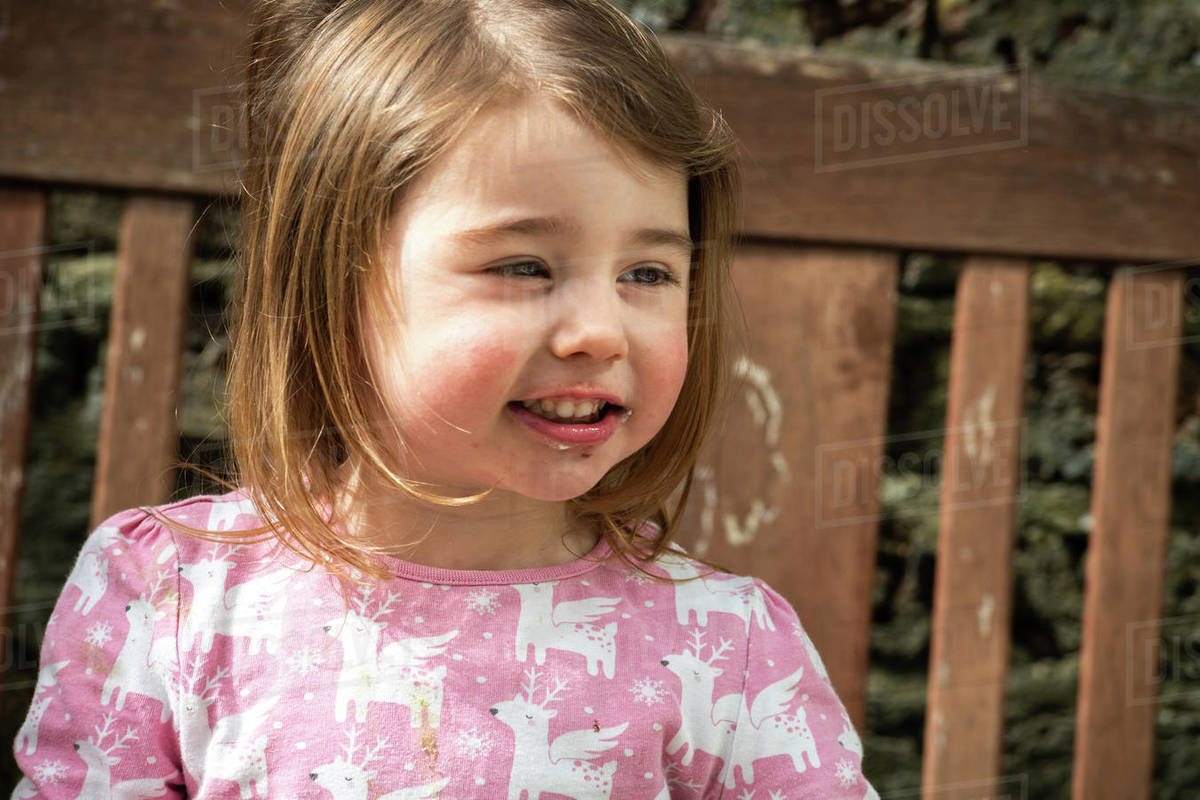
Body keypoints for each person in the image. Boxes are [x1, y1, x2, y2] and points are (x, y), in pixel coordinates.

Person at [12, 1, 878, 797]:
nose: (602, 332)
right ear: (332, 287)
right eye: (523, 266)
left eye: (647, 273)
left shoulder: (722, 648)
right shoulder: (169, 599)